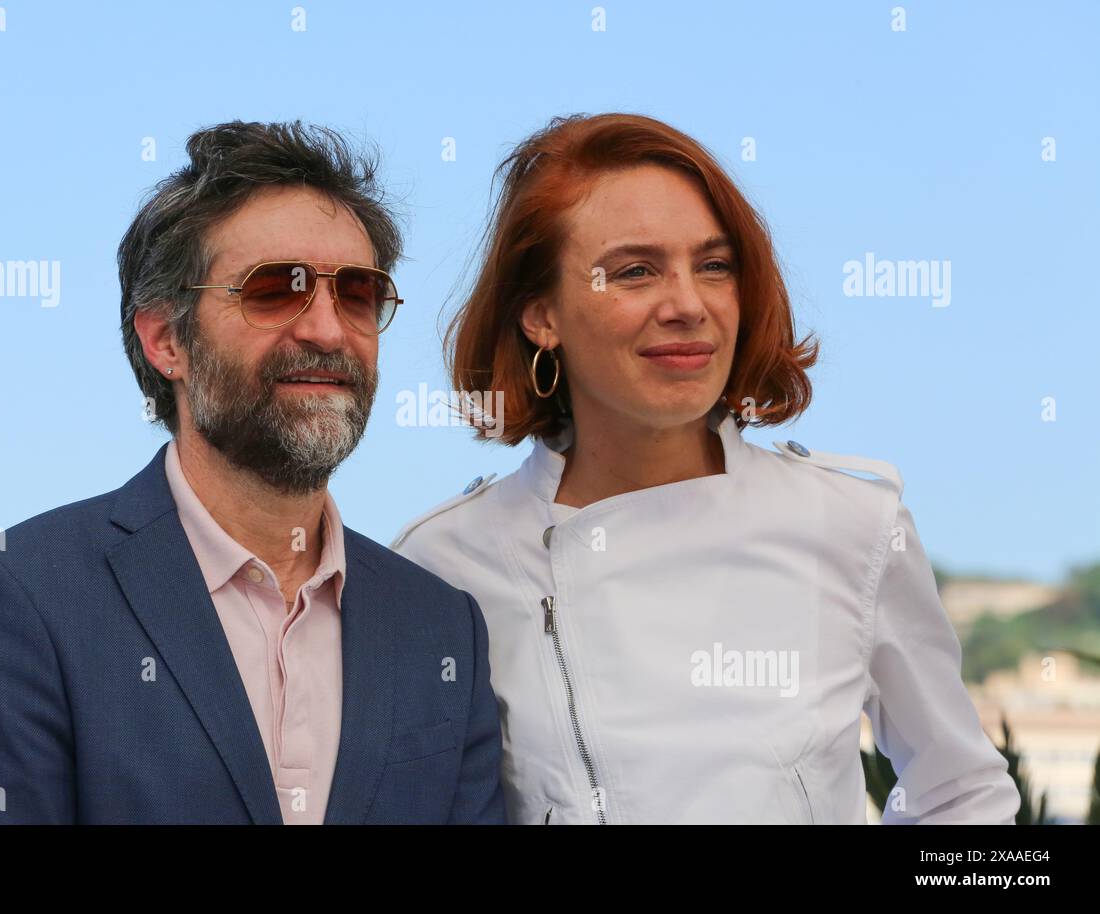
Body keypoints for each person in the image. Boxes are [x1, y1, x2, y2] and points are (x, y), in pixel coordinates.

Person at [392, 112, 1019, 825]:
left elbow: (963, 796)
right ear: (541, 316)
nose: (689, 305)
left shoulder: (851, 525)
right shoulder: (444, 564)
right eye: (636, 271)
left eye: (714, 266)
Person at [0, 120, 505, 825]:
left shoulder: (441, 628)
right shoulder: (21, 598)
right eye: (275, 289)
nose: (325, 329)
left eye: (356, 293)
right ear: (167, 340)